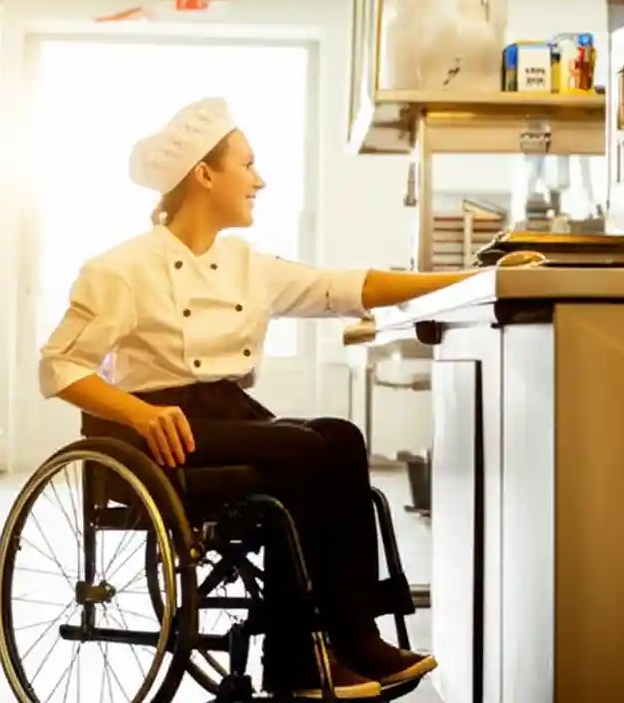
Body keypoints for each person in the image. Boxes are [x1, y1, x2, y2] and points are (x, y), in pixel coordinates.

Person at [38, 97, 476, 699]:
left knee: (339, 437)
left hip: (225, 414)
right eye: (248, 164)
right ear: (204, 173)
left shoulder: (243, 262)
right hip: (151, 428)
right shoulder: (120, 268)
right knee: (294, 449)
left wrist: (471, 281)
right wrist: (138, 411)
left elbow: (344, 287)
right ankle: (313, 652)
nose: (260, 180)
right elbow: (60, 366)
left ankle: (348, 636)